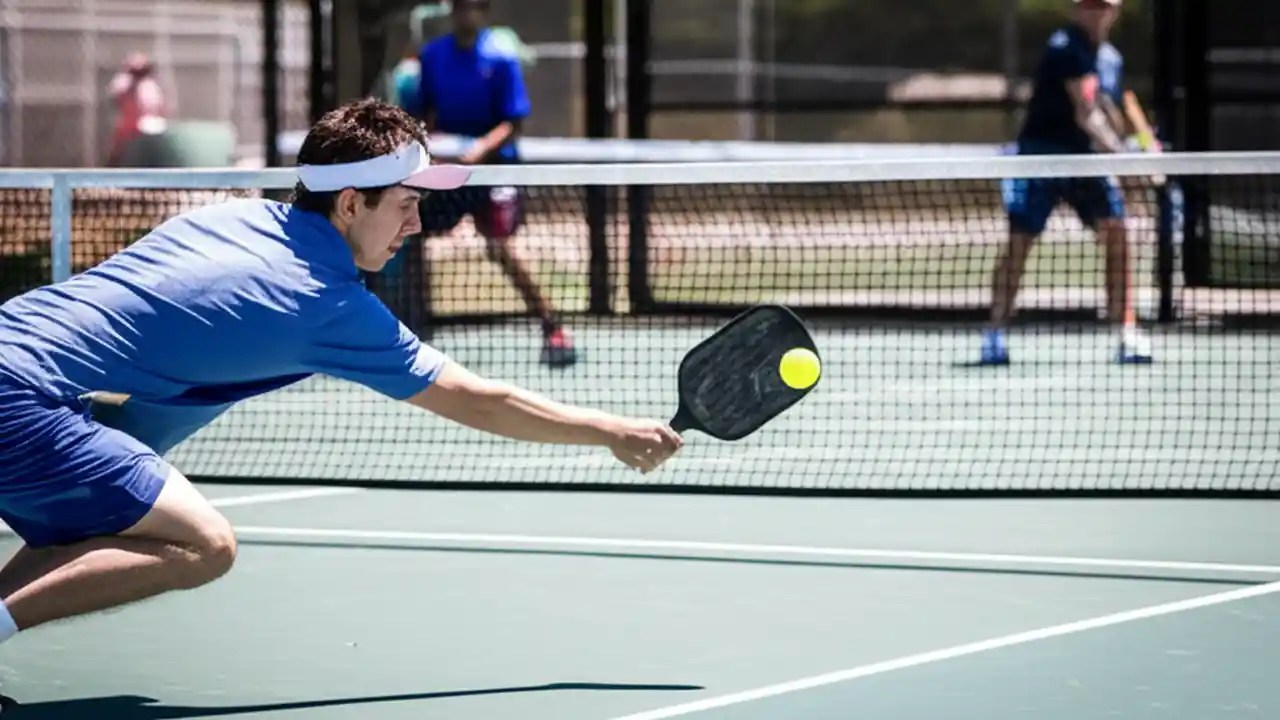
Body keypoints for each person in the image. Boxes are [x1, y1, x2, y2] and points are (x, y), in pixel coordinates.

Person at [0, 99, 681, 651]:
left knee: (75, 530)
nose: (416, 223)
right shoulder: (326, 305)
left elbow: (151, 413)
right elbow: (480, 402)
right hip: (21, 398)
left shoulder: (232, 218)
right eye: (405, 204)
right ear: (351, 203)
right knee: (204, 545)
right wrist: (608, 430)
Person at [980, 0, 1152, 365]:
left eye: (1102, 5)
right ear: (1077, 10)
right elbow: (1087, 113)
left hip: (1085, 161)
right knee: (1018, 243)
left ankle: (1127, 331)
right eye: (1088, 5)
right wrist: (1124, 158)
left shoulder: (1111, 59)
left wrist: (1144, 146)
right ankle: (994, 333)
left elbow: (1115, 107)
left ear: (1114, 11)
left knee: (1119, 231)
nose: (1095, 12)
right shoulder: (1064, 48)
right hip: (1041, 157)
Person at [408, 0, 578, 367]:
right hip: (448, 170)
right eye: (460, 7)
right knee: (408, 229)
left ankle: (553, 326)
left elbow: (513, 122)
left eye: (474, 7)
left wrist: (478, 151)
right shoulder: (433, 56)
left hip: (495, 170)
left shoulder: (501, 58)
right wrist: (433, 153)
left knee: (500, 247)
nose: (466, 14)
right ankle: (407, 323)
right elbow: (423, 115)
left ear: (484, 12)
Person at [106, 52, 167, 167]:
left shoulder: (149, 86)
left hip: (146, 128)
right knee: (120, 152)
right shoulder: (123, 81)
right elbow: (116, 95)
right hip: (128, 127)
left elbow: (155, 107)